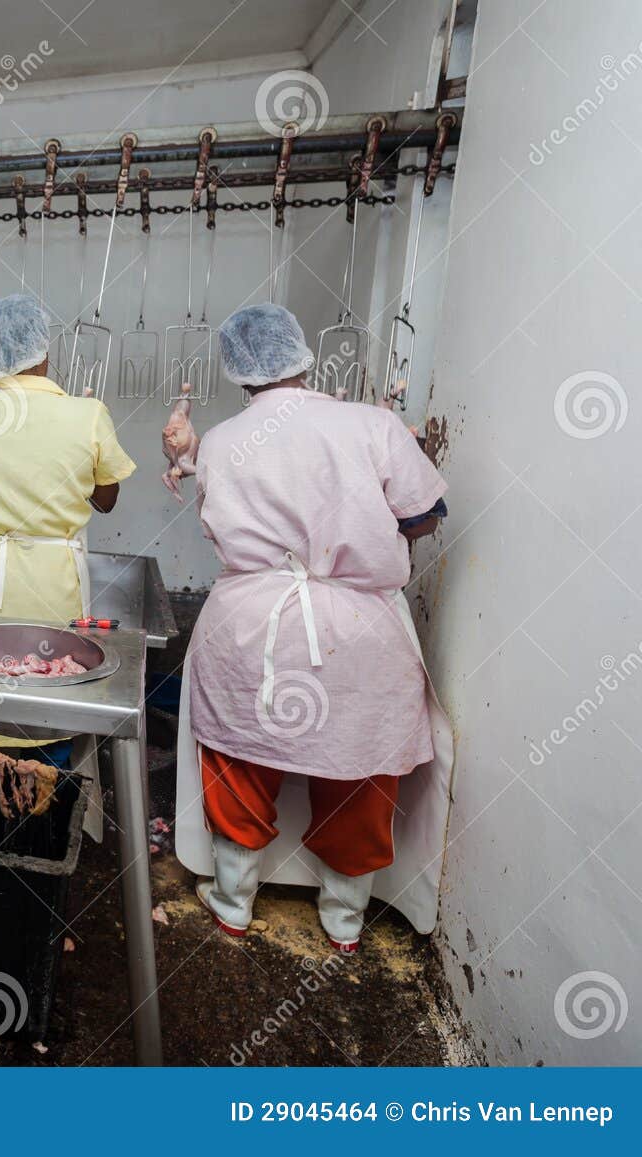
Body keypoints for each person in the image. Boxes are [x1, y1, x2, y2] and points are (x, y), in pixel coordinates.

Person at [185, 303, 449, 952]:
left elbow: (215, 523)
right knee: (360, 764)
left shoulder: (219, 441)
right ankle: (344, 921)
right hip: (357, 623)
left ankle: (232, 903)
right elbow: (424, 514)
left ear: (238, 372)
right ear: (303, 355)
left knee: (239, 759)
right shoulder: (374, 424)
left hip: (249, 624)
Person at [0, 292, 136, 766]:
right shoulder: (88, 414)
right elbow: (106, 500)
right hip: (48, 586)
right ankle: (46, 787)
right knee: (47, 685)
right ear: (45, 349)